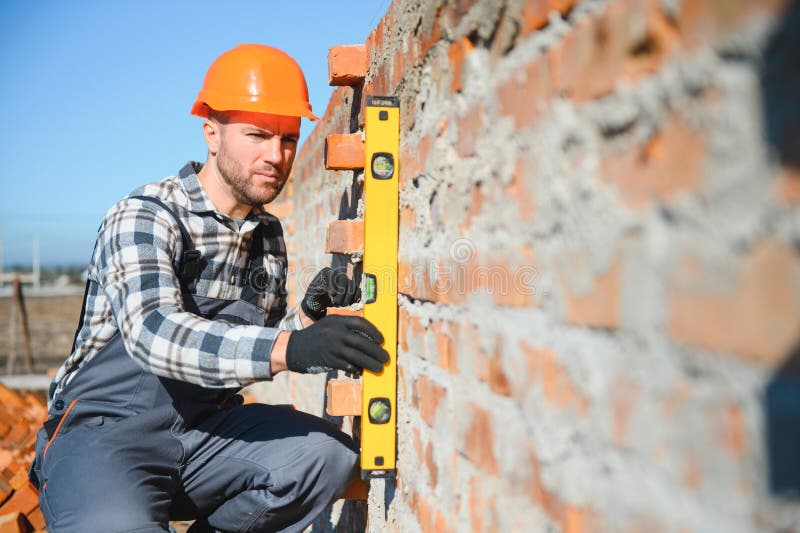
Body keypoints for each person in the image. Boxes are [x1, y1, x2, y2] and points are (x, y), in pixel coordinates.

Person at [29, 44, 388, 533]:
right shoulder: (146, 216)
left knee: (324, 457)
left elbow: (241, 358)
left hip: (204, 435)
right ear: (211, 134)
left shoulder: (267, 238)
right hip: (105, 436)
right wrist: (291, 346)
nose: (276, 156)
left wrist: (305, 319)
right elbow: (155, 334)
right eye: (257, 135)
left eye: (287, 138)